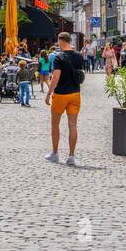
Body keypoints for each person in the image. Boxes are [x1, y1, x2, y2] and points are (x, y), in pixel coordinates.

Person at [44, 32, 84, 165]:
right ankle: (71, 156)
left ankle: (55, 153)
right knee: (73, 125)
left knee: (55, 124)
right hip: (75, 94)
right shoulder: (79, 56)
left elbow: (55, 77)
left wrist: (49, 94)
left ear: (61, 41)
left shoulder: (59, 57)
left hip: (61, 94)